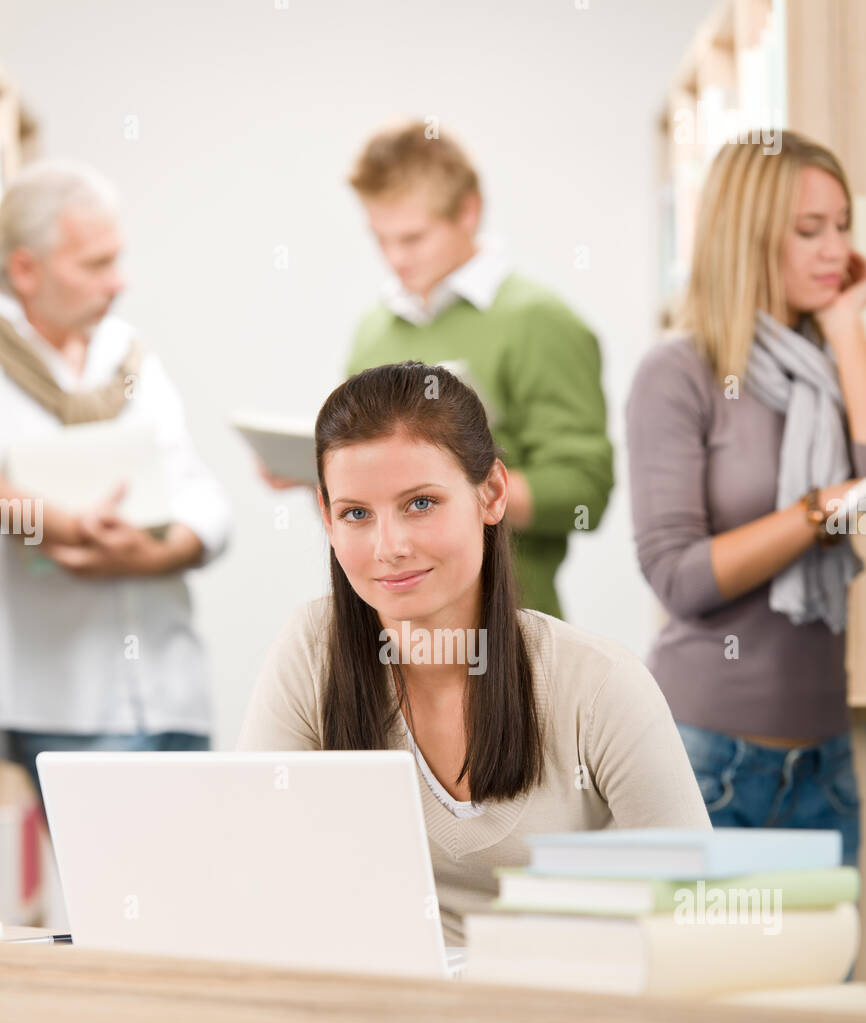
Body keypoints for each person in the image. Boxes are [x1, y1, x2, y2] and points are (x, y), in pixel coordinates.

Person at [238, 361, 709, 944]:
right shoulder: (312, 651)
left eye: (420, 504)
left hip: (563, 1009)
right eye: (356, 513)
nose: (389, 547)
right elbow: (259, 874)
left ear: (492, 494)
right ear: (327, 518)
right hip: (378, 1013)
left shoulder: (599, 685)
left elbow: (697, 912)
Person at [258, 121, 614, 621]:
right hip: (392, 629)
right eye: (381, 239)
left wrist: (454, 493)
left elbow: (585, 493)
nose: (394, 258)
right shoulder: (374, 332)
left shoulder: (540, 322)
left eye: (412, 238)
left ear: (468, 211)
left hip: (509, 625)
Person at [626, 131, 866, 867]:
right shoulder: (680, 373)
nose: (835, 250)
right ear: (751, 236)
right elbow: (680, 577)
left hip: (826, 760)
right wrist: (821, 512)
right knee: (704, 982)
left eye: (844, 226)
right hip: (705, 759)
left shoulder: (842, 371)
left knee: (827, 986)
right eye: (808, 230)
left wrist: (848, 338)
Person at [0, 160, 232, 797]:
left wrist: (164, 549)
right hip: (63, 700)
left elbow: (202, 496)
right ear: (26, 270)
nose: (118, 282)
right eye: (95, 265)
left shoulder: (129, 356)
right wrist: (64, 524)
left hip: (172, 692)